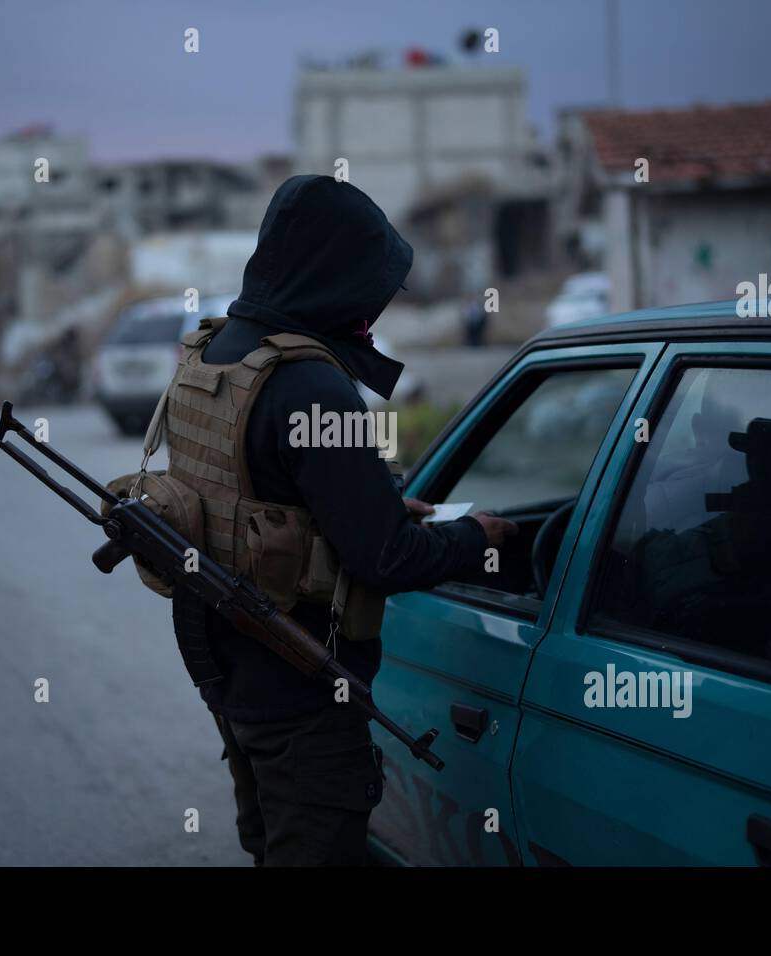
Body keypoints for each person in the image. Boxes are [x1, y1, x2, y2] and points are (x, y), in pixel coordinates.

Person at [125, 175, 517, 866]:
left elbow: (253, 494)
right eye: (368, 284)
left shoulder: (213, 353)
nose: (373, 307)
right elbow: (385, 559)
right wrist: (474, 539)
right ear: (333, 273)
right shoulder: (312, 385)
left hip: (229, 677)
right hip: (302, 692)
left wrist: (373, 504)